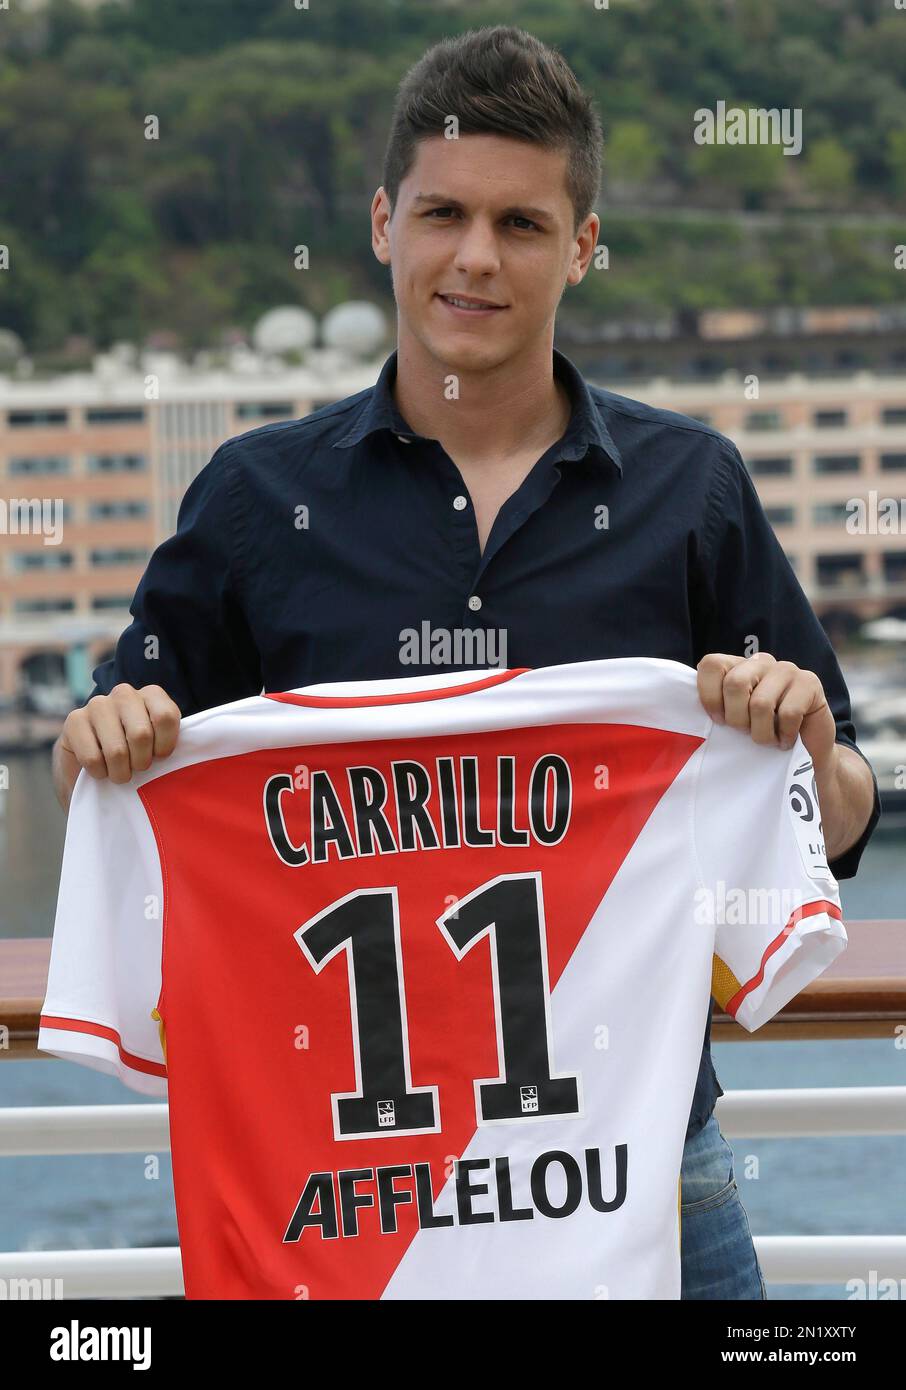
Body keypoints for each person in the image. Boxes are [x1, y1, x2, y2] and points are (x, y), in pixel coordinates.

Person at [52, 25, 879, 1299]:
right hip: (338, 1181)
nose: (476, 258)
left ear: (585, 247)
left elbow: (838, 819)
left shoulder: (688, 492)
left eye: (524, 224)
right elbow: (132, 772)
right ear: (384, 223)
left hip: (647, 1169)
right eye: (443, 213)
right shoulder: (255, 502)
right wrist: (100, 744)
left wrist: (814, 752)